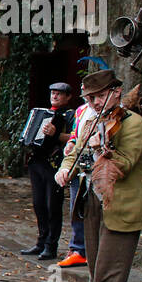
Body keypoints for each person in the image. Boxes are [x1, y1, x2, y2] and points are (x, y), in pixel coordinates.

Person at [55, 69, 142, 282]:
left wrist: (103, 150)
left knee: (108, 273)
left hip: (121, 207)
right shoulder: (92, 121)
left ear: (116, 92)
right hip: (92, 203)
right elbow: (74, 152)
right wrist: (64, 170)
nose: (94, 103)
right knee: (100, 271)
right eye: (90, 97)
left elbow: (122, 166)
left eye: (98, 96)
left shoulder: (134, 124)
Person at [21, 82, 76, 261]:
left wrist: (56, 134)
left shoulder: (70, 115)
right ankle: (40, 241)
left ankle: (51, 245)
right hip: (37, 161)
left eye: (59, 94)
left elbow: (76, 137)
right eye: (53, 93)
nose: (55, 96)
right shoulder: (43, 112)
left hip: (55, 163)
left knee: (52, 205)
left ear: (68, 97)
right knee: (39, 204)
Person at [57, 98, 97, 269]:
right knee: (76, 208)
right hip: (79, 166)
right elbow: (76, 135)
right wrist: (71, 144)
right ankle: (77, 248)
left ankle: (88, 249)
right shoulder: (81, 111)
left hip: (97, 168)